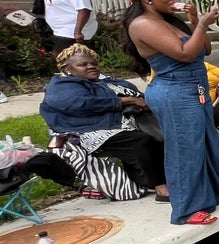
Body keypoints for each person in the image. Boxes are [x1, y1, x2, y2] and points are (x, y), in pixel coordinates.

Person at [120, 0, 219, 225]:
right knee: (185, 148)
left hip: (194, 89)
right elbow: (184, 54)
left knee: (207, 142)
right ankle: (186, 210)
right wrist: (202, 25)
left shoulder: (167, 20)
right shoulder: (141, 24)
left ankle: (214, 194)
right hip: (174, 92)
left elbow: (205, 50)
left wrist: (195, 21)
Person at [40, 43, 170, 202]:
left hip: (121, 123)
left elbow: (138, 95)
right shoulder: (61, 85)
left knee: (163, 136)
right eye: (83, 64)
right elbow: (79, 104)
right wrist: (127, 101)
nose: (91, 66)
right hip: (88, 130)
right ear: (67, 68)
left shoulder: (105, 82)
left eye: (93, 63)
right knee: (140, 142)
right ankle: (161, 188)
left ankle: (155, 179)